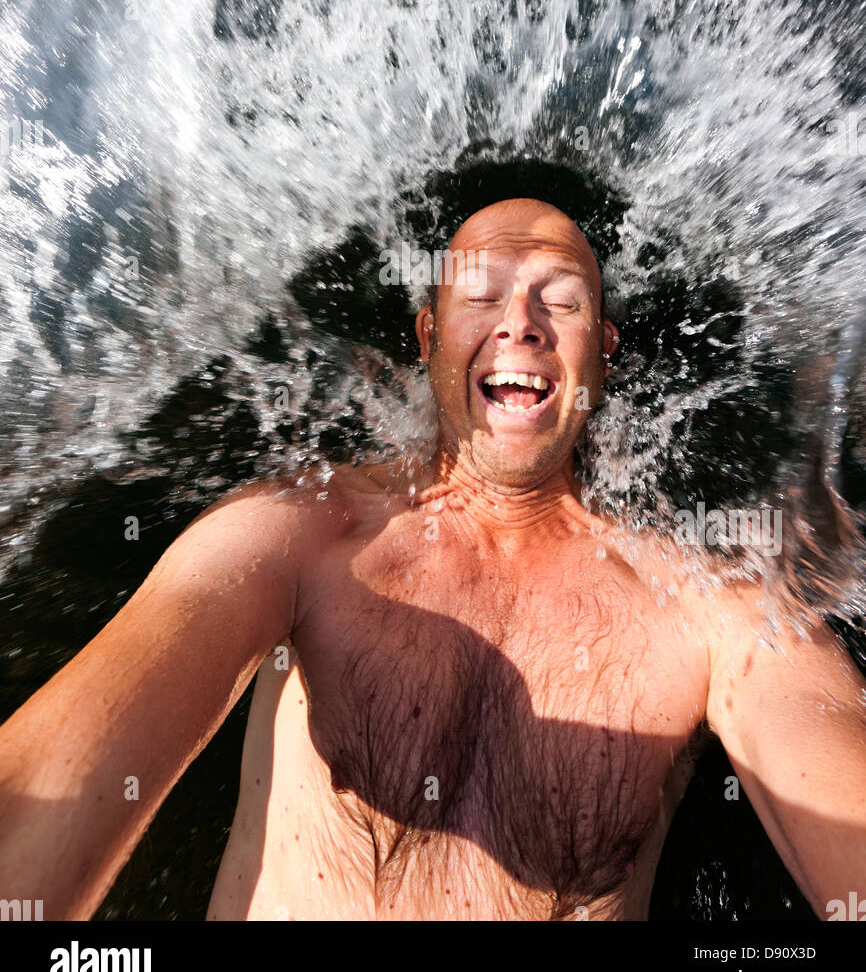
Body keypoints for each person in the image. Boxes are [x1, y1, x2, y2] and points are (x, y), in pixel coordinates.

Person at [1, 196, 865, 922]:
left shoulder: (709, 608)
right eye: (479, 296)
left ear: (603, 349)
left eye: (559, 302)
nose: (518, 325)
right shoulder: (294, 539)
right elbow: (42, 786)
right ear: (428, 335)